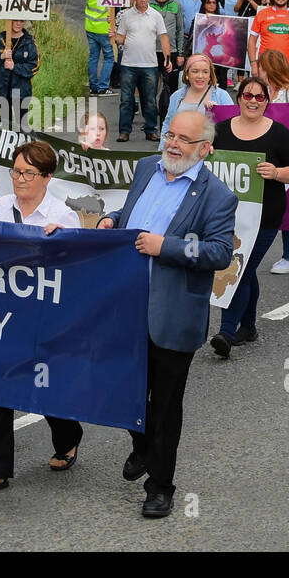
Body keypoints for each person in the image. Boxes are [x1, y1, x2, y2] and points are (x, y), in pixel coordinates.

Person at [96, 109, 237, 517]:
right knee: (122, 390)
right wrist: (111, 219)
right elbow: (133, 218)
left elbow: (220, 252)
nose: (172, 144)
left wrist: (167, 247)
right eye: (170, 135)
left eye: (184, 139)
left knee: (164, 405)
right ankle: (142, 446)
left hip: (174, 314)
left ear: (205, 149)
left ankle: (160, 486)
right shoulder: (145, 169)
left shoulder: (217, 196)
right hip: (126, 304)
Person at [0, 142, 82, 493]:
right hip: (5, 313)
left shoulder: (62, 217)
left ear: (47, 178)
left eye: (29, 173)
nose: (20, 179)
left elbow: (77, 272)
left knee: (43, 388)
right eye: (16, 171)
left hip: (44, 318)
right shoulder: (2, 206)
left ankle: (68, 434)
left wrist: (63, 244)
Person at [209, 79, 289, 357]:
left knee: (239, 270)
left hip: (265, 217)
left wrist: (276, 173)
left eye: (260, 97)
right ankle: (248, 326)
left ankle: (226, 331)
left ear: (266, 101)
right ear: (238, 99)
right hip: (228, 218)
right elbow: (201, 157)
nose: (253, 100)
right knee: (246, 271)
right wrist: (208, 152)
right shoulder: (219, 130)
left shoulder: (279, 135)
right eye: (248, 95)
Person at [255, 49, 289, 273]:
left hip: (283, 158)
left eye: (261, 65)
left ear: (270, 68)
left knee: (287, 209)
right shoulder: (262, 91)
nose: (258, 69)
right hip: (262, 155)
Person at [114, 0, 172, 142]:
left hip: (150, 65)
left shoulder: (155, 15)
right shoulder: (126, 16)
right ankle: (124, 131)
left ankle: (151, 130)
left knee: (150, 100)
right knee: (126, 100)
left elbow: (164, 37)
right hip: (128, 65)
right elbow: (121, 38)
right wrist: (113, 36)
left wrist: (167, 58)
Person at [159, 54, 233, 149]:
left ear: (210, 75)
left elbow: (232, 127)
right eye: (195, 71)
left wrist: (218, 114)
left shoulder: (222, 96)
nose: (200, 76)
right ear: (187, 74)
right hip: (179, 151)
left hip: (210, 153)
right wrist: (162, 149)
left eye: (205, 72)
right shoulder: (176, 96)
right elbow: (168, 125)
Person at [0, 19, 39, 130]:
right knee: (5, 124)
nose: (18, 23)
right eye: (15, 20)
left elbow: (35, 67)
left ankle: (23, 146)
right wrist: (0, 57)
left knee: (22, 126)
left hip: (21, 91)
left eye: (22, 21)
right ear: (9, 21)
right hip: (0, 89)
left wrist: (15, 67)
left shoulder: (29, 42)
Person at [84, 0, 115, 96]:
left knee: (93, 57)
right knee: (109, 57)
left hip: (90, 27)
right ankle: (103, 87)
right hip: (104, 29)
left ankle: (93, 87)